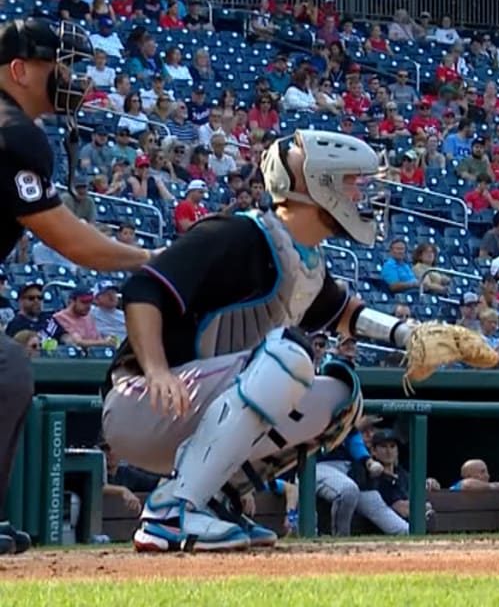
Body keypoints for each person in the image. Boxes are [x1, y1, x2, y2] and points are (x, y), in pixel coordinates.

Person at [98, 130, 470, 552]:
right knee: (290, 357)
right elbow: (144, 288)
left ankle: (210, 495)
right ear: (318, 185)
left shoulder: (303, 259)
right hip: (141, 400)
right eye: (352, 182)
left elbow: (344, 313)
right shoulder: (236, 233)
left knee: (341, 396)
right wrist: (156, 370)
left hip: (193, 408)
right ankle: (171, 512)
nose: (361, 194)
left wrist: (408, 334)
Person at [0, 18, 157, 555]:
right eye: (57, 66)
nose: (70, 79)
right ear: (20, 70)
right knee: (7, 371)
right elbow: (73, 242)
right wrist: (151, 257)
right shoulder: (13, 132)